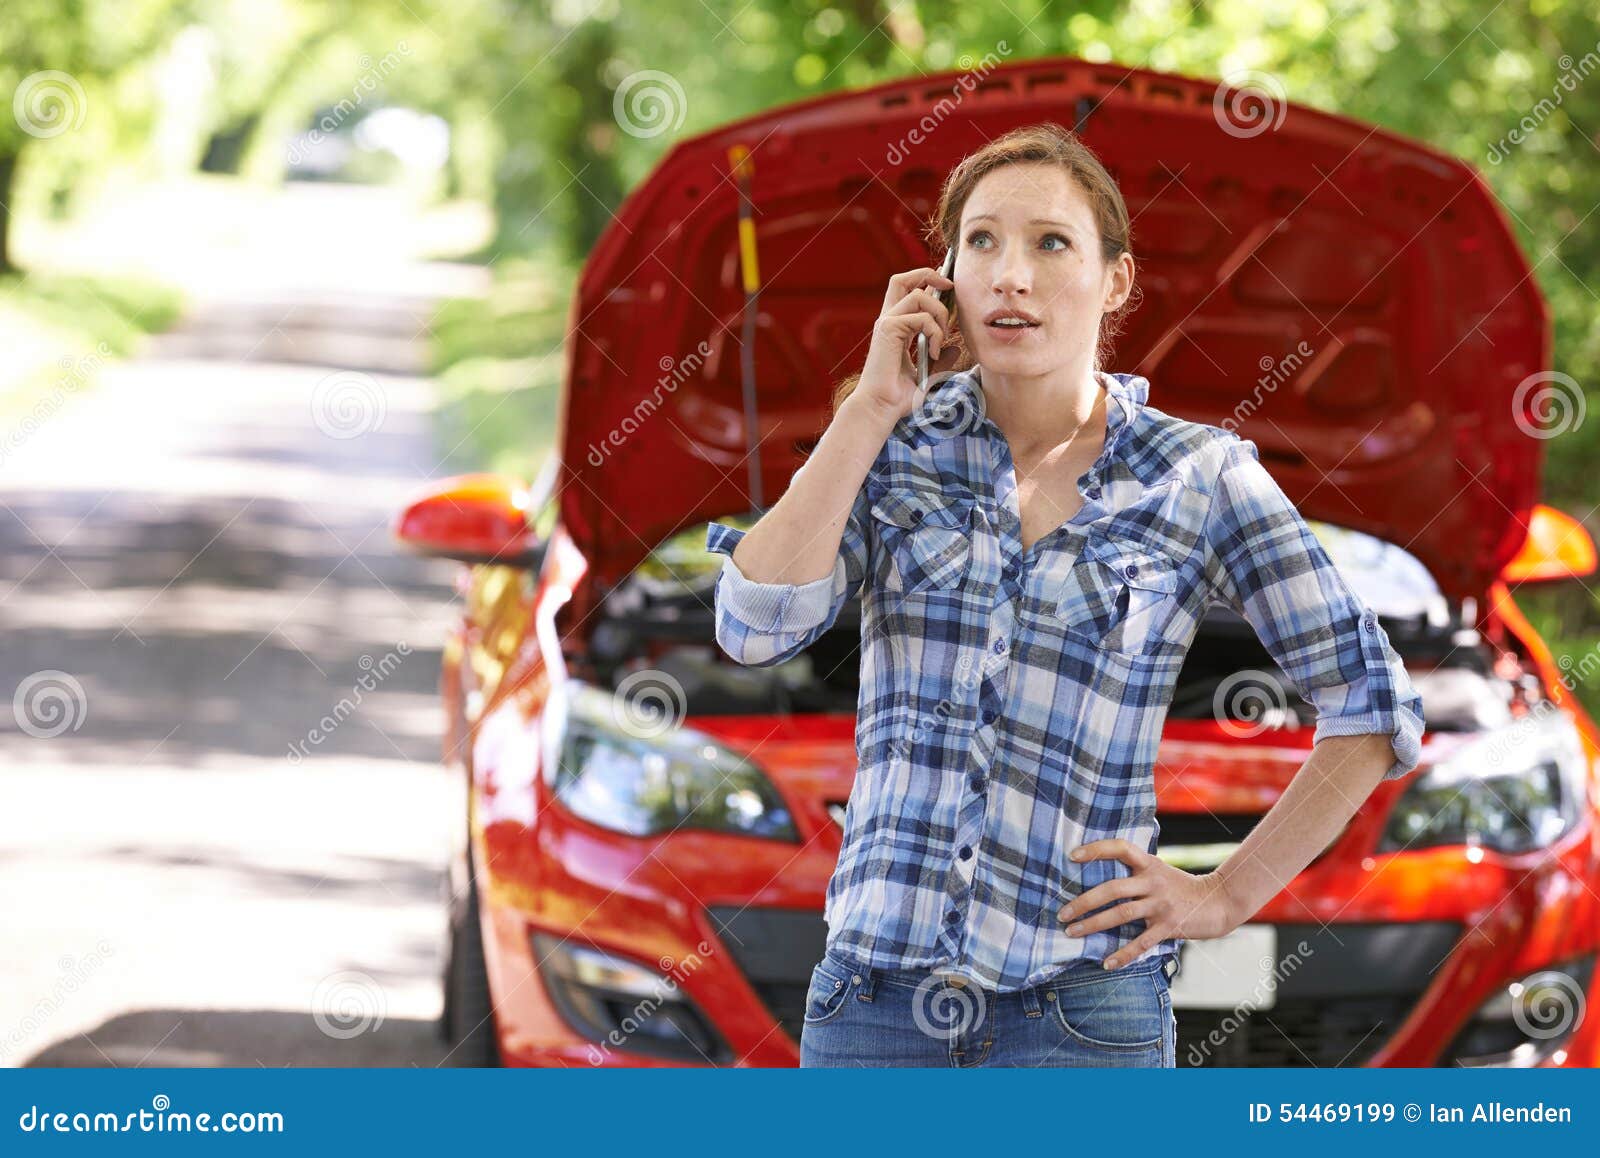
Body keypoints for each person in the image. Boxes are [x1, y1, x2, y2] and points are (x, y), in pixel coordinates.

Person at [703, 122, 1425, 1067]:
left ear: (1115, 279)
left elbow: (1371, 703)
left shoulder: (1199, 475)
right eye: (983, 242)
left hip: (1085, 1019)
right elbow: (754, 629)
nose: (1012, 274)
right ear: (946, 278)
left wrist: (1223, 895)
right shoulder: (892, 448)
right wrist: (871, 406)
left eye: (1051, 242)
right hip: (872, 1012)